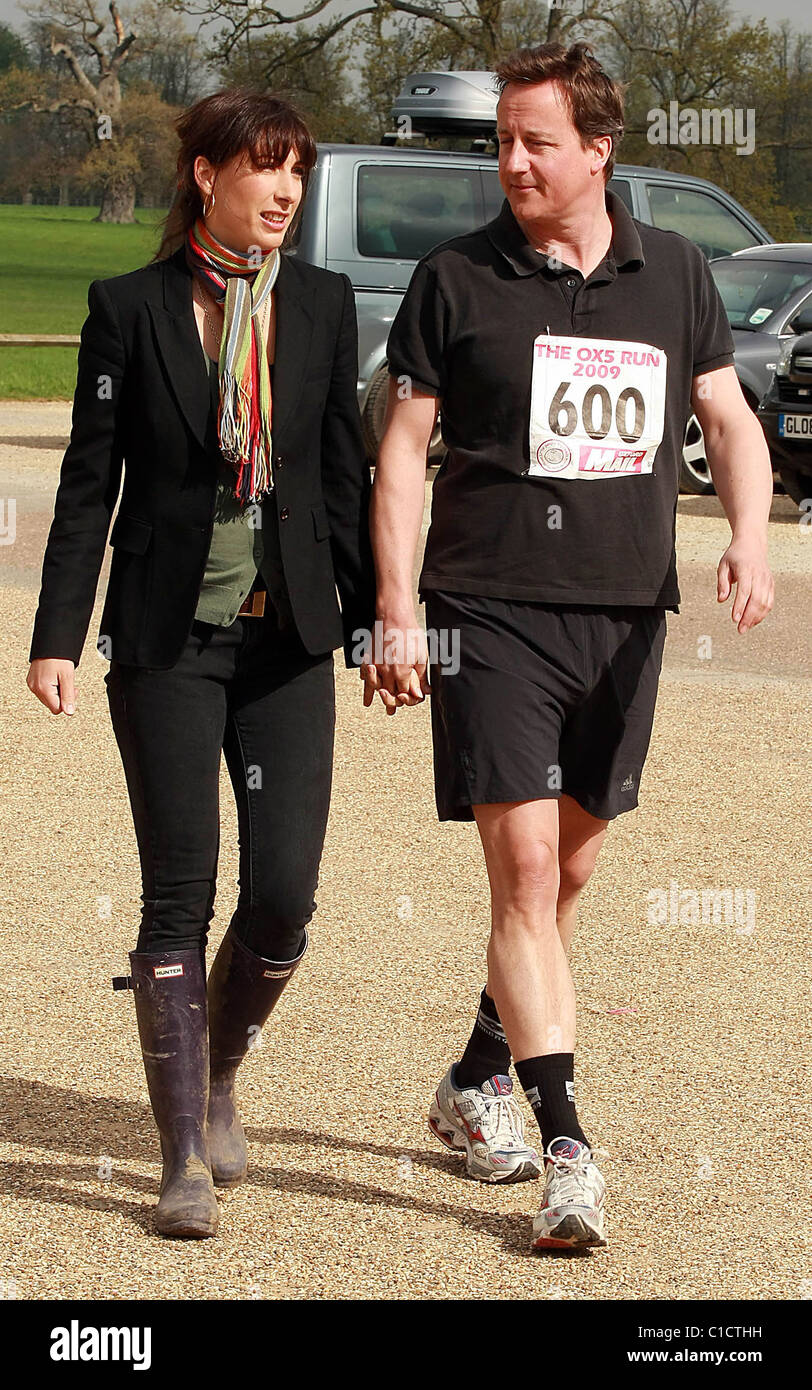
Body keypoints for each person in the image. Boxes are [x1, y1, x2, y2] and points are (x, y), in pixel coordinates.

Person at [363, 42, 774, 1250]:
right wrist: (396, 606)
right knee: (527, 876)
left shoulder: (675, 271)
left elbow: (725, 416)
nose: (510, 161)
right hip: (485, 606)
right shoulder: (453, 277)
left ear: (598, 150)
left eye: (534, 141)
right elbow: (401, 453)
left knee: (571, 874)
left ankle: (473, 1073)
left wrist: (748, 535)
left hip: (623, 612)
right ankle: (568, 1154)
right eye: (500, 140)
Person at [27, 89, 375, 1239]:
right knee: (179, 888)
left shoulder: (321, 306)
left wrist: (377, 622)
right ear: (205, 176)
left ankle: (218, 1072)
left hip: (288, 642)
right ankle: (180, 1151)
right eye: (264, 167)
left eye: (297, 171)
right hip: (165, 639)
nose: (285, 191)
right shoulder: (126, 309)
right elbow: (89, 485)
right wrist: (56, 635)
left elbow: (343, 478)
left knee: (282, 897)